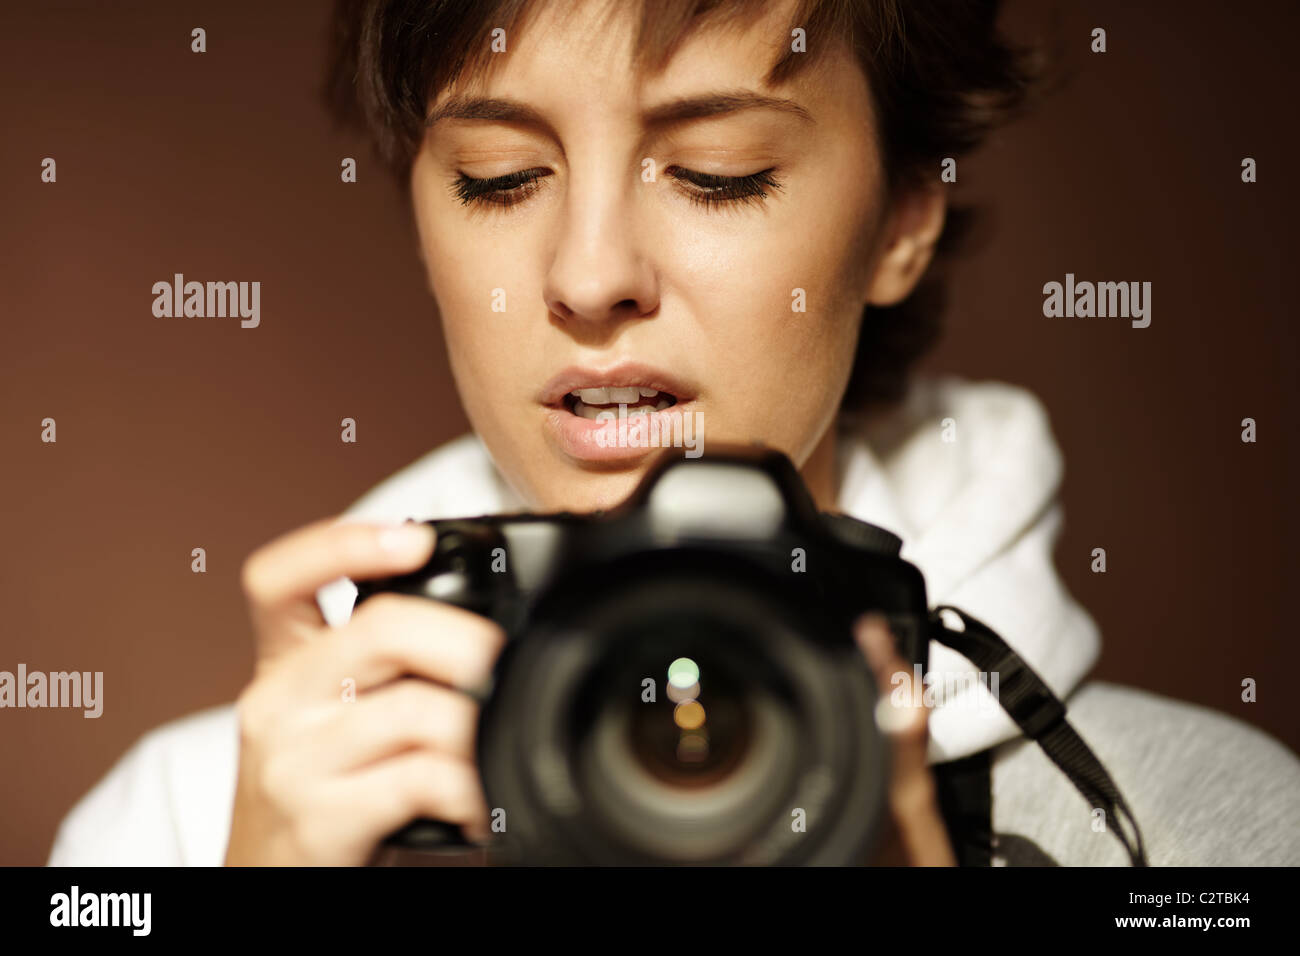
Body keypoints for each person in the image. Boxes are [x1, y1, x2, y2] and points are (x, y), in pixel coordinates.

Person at [49, 0, 1300, 866]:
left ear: (902, 219)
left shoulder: (1204, 826)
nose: (591, 276)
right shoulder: (181, 820)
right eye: (497, 175)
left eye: (715, 171)